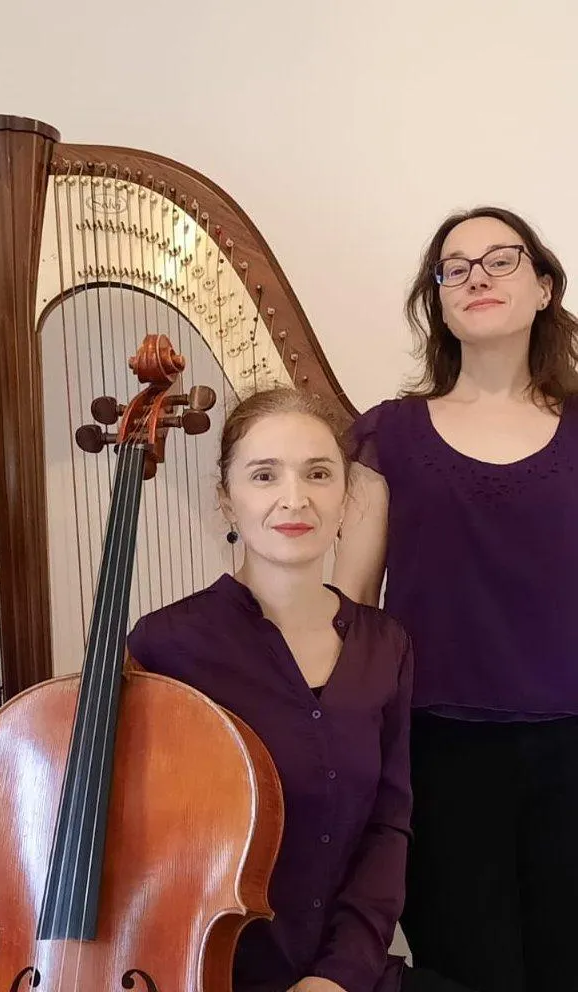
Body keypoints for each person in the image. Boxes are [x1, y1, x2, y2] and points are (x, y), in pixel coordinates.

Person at [334, 206, 578, 992]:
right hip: (437, 755)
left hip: (574, 749)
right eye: (456, 268)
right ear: (438, 301)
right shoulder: (388, 436)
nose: (478, 277)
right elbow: (351, 606)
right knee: (471, 976)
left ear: (544, 288)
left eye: (502, 260)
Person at [128, 386, 420, 992]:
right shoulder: (165, 646)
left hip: (350, 977)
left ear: (346, 497)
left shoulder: (385, 645)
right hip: (207, 972)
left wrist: (338, 976)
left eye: (318, 474)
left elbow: (387, 826)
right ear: (227, 501)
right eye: (265, 475)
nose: (295, 498)